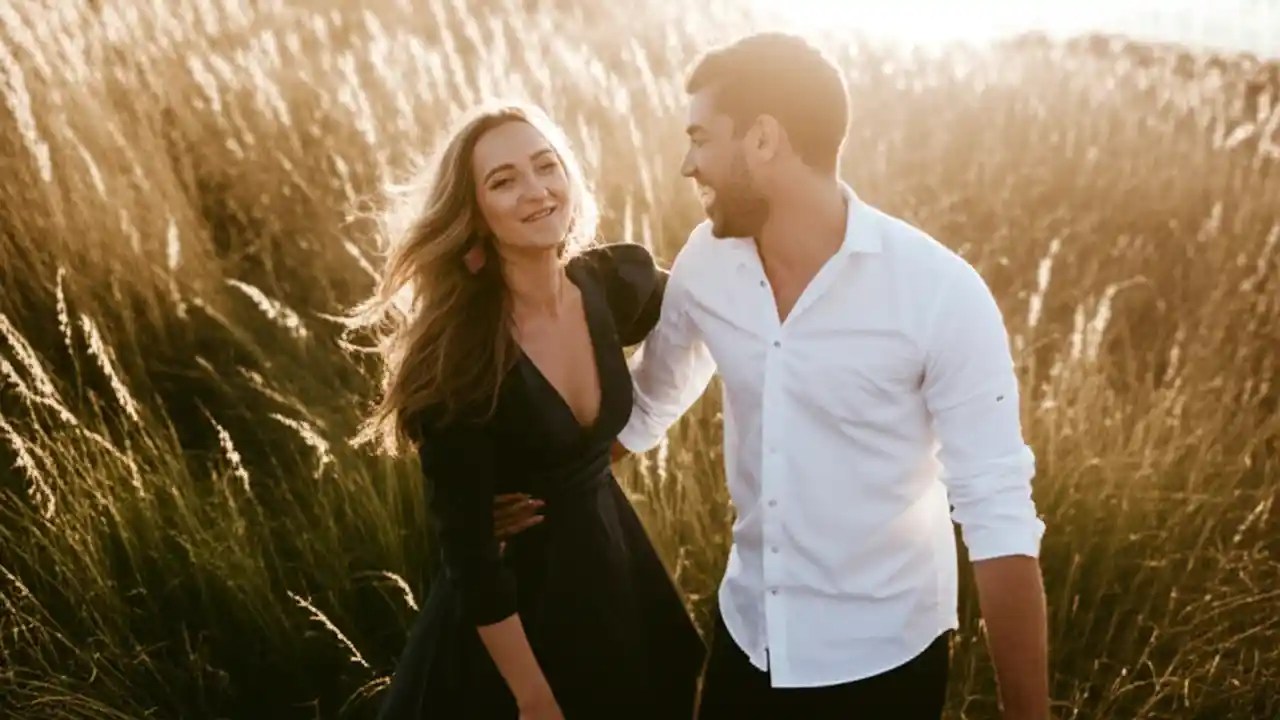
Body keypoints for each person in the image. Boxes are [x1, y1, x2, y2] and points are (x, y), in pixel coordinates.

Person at [501, 32, 1052, 719]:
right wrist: (524, 499)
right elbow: (645, 407)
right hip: (748, 640)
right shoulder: (707, 262)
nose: (686, 165)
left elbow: (996, 513)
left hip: (884, 663)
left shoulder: (940, 293)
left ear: (763, 139)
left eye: (701, 138)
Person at [350, 102, 704, 720]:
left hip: (614, 565)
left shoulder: (611, 281)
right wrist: (532, 696)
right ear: (474, 213)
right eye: (504, 180)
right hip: (519, 617)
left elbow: (711, 310)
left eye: (546, 166)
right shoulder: (458, 356)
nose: (536, 190)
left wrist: (631, 438)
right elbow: (470, 558)